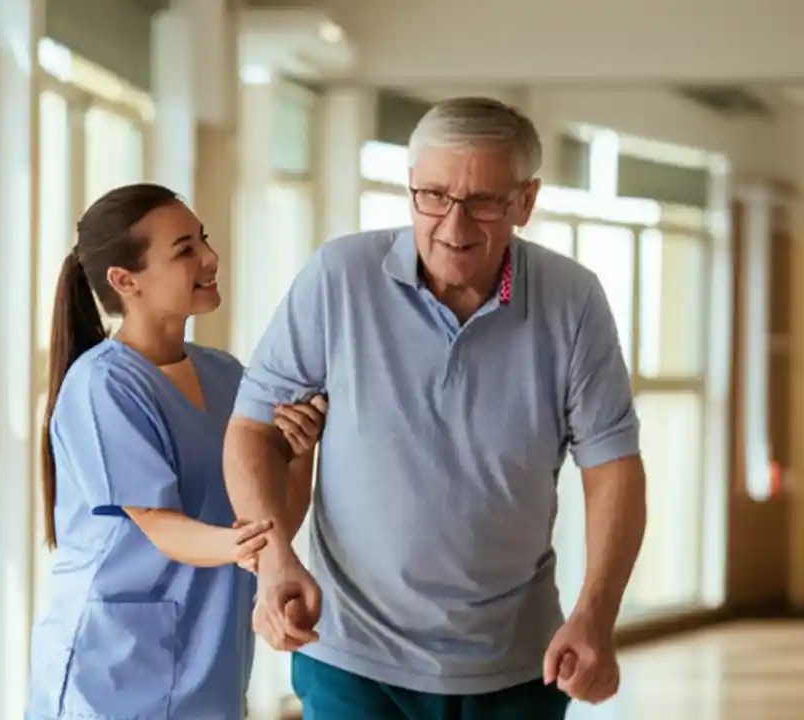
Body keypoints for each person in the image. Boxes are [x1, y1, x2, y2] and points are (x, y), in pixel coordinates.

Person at [224, 97, 647, 719]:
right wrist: (274, 561)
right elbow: (251, 430)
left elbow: (613, 468)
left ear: (525, 202)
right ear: (410, 189)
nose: (453, 225)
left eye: (483, 202)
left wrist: (596, 614)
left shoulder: (571, 300)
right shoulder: (339, 277)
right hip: (353, 655)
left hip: (518, 661)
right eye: (434, 195)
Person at [25, 183, 328, 720]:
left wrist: (299, 454)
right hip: (113, 672)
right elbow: (163, 527)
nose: (210, 258)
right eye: (184, 249)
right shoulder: (102, 386)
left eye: (203, 240)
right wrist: (258, 551)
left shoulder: (229, 375)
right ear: (125, 281)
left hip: (208, 664)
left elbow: (271, 522)